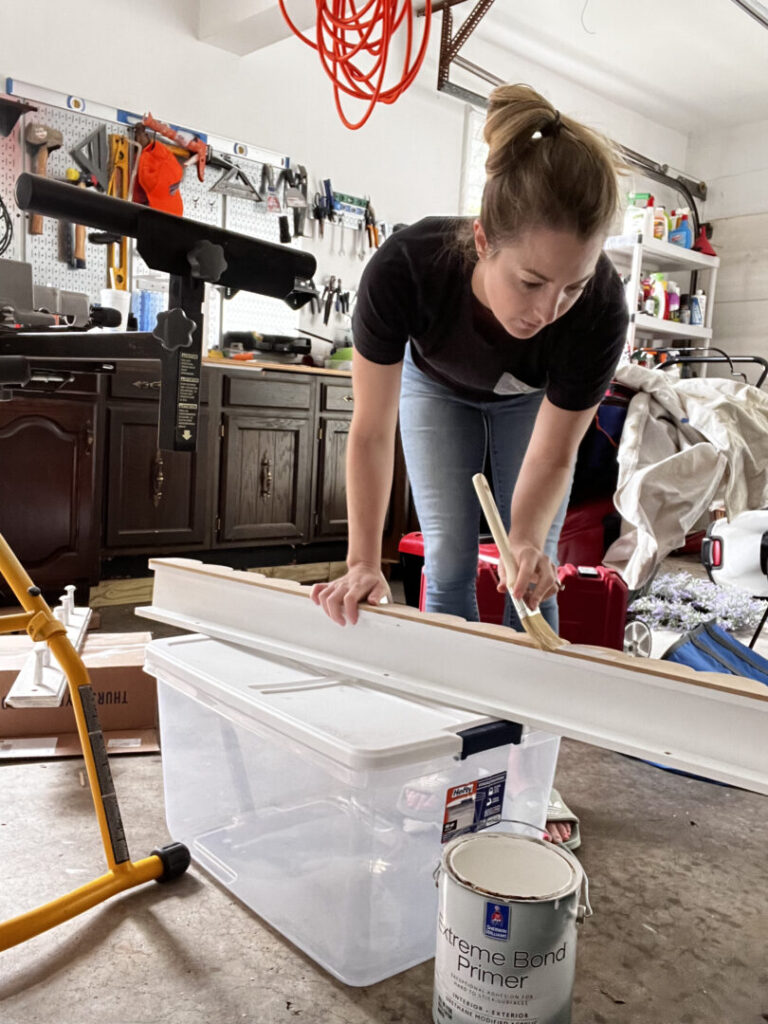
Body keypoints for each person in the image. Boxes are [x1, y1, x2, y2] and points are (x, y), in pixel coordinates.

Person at [312, 84, 629, 845]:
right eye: (531, 281)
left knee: (534, 573)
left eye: (573, 285)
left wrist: (525, 541)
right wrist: (362, 561)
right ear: (484, 239)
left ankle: (531, 777)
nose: (550, 308)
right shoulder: (408, 267)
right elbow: (370, 428)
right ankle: (453, 759)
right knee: (449, 564)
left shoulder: (599, 312)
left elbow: (556, 453)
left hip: (529, 407)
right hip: (436, 389)